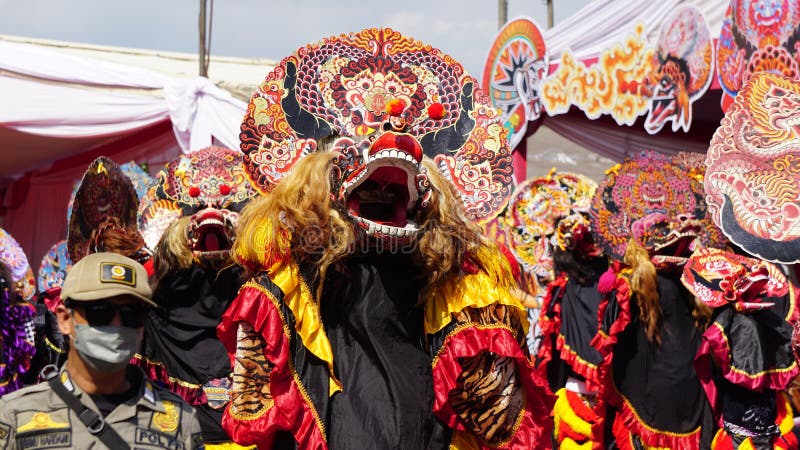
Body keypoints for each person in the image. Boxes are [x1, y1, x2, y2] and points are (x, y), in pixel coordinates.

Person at [0, 252, 204, 449]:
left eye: (131, 313)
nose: (116, 325)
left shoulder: (180, 422)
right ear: (64, 319)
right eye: (99, 312)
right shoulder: (15, 415)